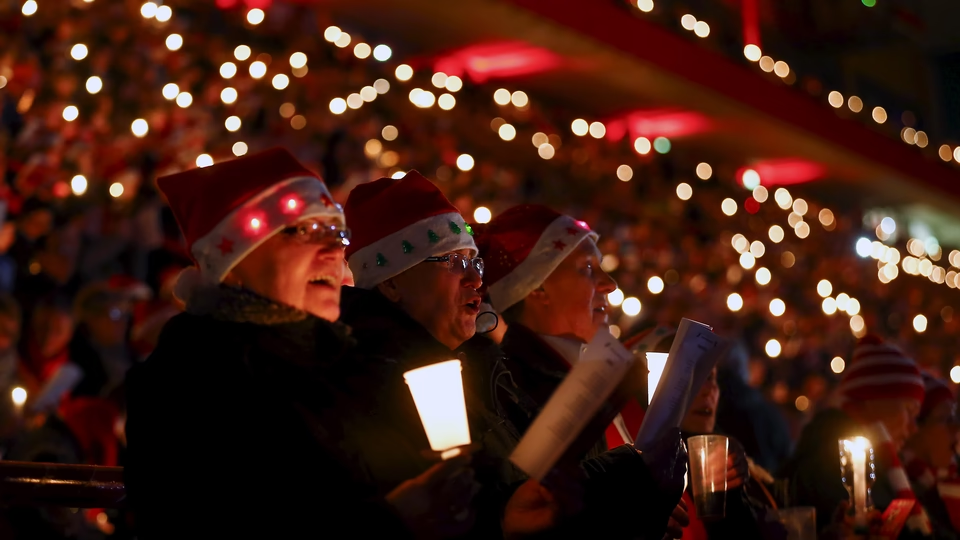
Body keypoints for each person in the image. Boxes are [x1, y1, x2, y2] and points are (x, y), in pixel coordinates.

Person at [125, 149, 477, 539]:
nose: (333, 251)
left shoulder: (340, 361)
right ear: (233, 262)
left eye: (336, 233)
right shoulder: (192, 379)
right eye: (306, 231)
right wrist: (397, 522)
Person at [339, 171, 570, 538]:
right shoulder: (365, 383)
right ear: (391, 281)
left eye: (474, 261)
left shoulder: (483, 367)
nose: (475, 280)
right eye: (450, 260)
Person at [477, 204, 687, 538]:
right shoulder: (505, 392)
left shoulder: (602, 381)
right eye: (588, 268)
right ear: (538, 288)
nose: (611, 284)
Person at [779, 335, 926, 534]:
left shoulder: (884, 464)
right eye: (909, 410)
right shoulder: (834, 461)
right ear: (873, 400)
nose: (913, 427)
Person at [903, 374, 959, 539]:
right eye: (944, 419)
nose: (954, 429)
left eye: (954, 419)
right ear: (914, 429)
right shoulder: (903, 492)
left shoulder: (952, 480)